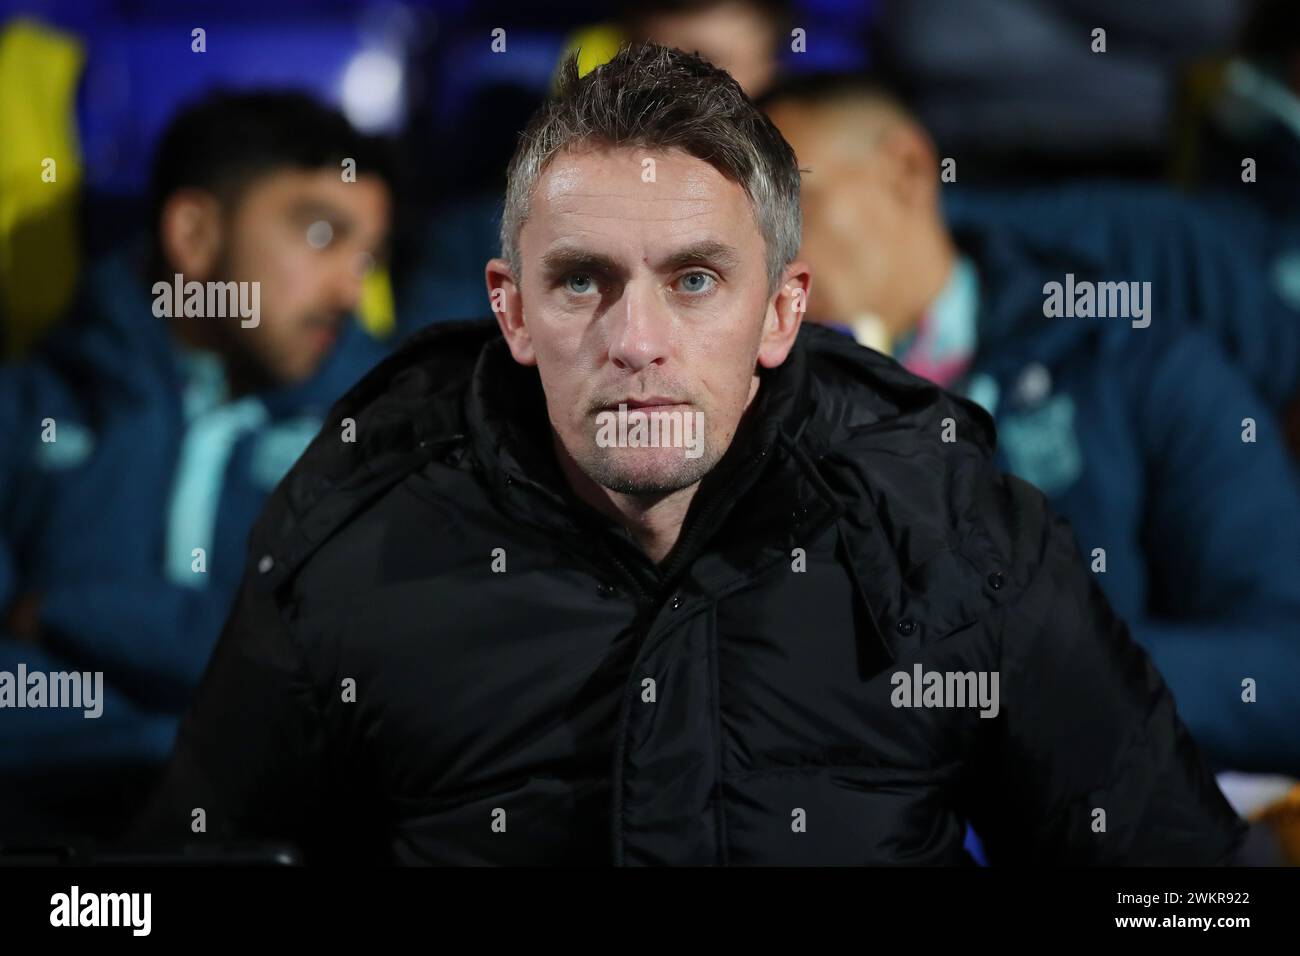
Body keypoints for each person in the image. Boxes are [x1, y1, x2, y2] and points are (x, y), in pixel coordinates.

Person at [133, 44, 1242, 866]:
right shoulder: (353, 535)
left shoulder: (949, 527)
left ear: (780, 312)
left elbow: (1181, 881)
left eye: (695, 279)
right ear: (510, 312)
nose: (637, 341)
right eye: (582, 281)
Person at [762, 75, 1300, 776]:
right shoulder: (738, 423)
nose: (767, 263)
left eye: (787, 210)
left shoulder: (1135, 366)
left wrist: (1037, 668)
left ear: (906, 169)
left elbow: (1282, 675)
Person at [0, 90, 393, 840]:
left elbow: (330, 668)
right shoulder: (25, 410)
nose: (350, 288)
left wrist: (55, 615)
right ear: (194, 233)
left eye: (367, 255)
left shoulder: (381, 433)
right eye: (320, 233)